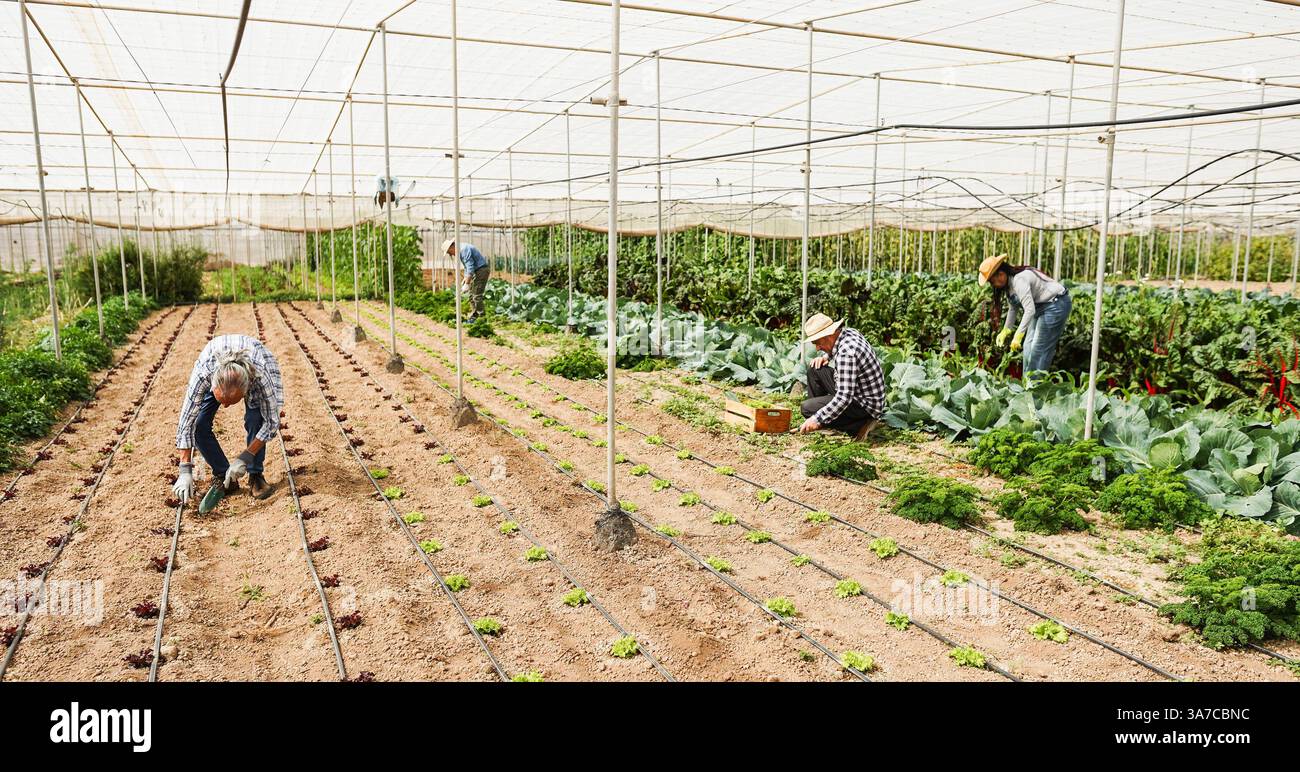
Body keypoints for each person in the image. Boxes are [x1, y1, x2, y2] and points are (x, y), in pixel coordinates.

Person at [172, 335, 284, 505]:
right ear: (213, 385)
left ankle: (255, 475)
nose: (224, 407)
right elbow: (187, 421)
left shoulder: (260, 377)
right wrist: (185, 470)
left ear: (246, 390)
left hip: (254, 365)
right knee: (199, 424)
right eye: (220, 400)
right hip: (214, 362)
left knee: (256, 419)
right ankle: (225, 477)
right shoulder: (204, 373)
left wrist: (245, 458)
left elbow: (271, 423)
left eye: (231, 402)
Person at [978, 253, 1072, 375]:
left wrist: (1018, 334)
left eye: (997, 277)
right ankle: (1027, 384)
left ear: (1003, 272)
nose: (996, 282)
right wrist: (1006, 330)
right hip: (1041, 307)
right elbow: (1013, 308)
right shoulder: (1008, 285)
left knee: (1038, 349)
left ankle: (1035, 388)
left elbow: (1029, 310)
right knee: (1027, 347)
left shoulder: (1019, 280)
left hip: (1055, 304)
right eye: (992, 281)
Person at [797, 313, 885, 441]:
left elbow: (844, 397)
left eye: (817, 342)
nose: (817, 348)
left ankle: (859, 425)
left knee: (807, 408)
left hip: (865, 406)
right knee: (815, 370)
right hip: (861, 393)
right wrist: (825, 357)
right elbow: (836, 349)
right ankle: (824, 419)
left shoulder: (847, 353)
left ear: (828, 335)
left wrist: (817, 418)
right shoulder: (848, 333)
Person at [443, 238, 490, 322]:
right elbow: (466, 267)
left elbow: (470, 267)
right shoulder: (461, 249)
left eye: (449, 252)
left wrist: (467, 283)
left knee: (477, 295)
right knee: (471, 296)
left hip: (481, 270)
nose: (451, 255)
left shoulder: (464, 249)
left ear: (451, 247)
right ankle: (475, 315)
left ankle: (482, 318)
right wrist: (465, 279)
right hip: (477, 271)